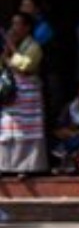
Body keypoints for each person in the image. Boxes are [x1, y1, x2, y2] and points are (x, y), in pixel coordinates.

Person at [0, 11, 47, 174]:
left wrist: (11, 48)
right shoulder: (10, 45)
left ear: (27, 28)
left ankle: (28, 168)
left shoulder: (34, 47)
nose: (14, 28)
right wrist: (6, 51)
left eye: (18, 24)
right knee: (8, 130)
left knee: (27, 132)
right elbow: (3, 64)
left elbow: (25, 66)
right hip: (11, 95)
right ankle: (6, 167)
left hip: (28, 96)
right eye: (12, 24)